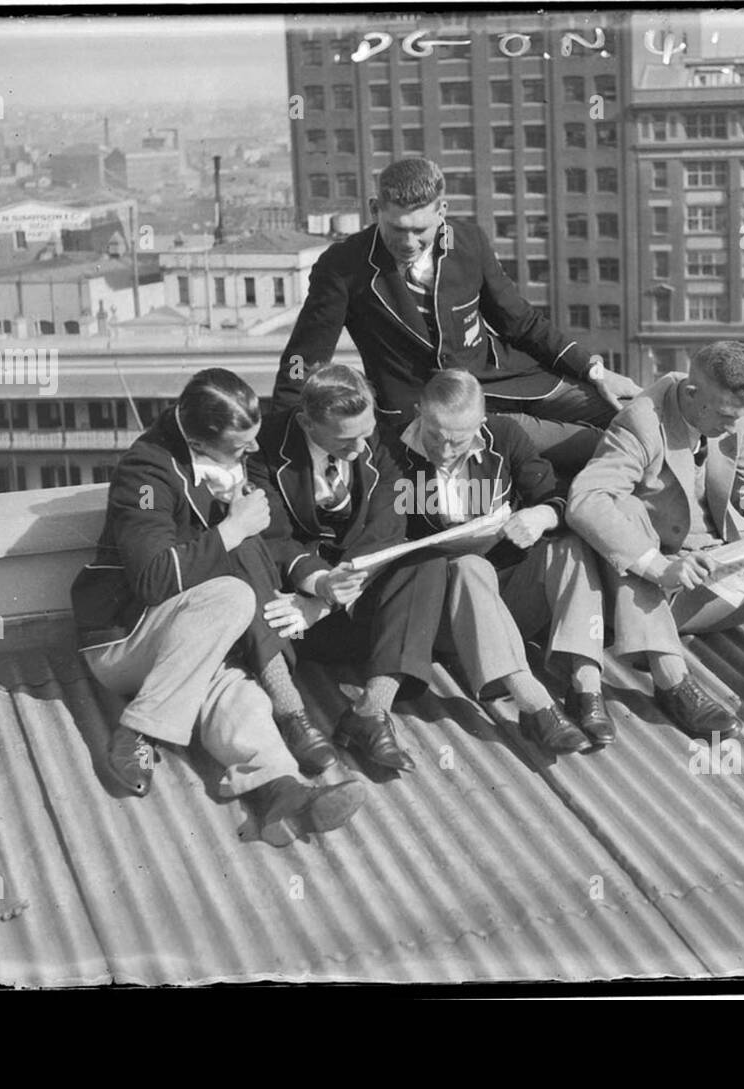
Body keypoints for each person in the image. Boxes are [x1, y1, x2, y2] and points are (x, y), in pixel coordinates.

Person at [70, 368, 364, 844]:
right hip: (127, 639)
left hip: (196, 646)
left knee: (240, 695)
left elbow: (276, 541)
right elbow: (153, 578)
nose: (251, 451)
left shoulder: (230, 460)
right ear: (197, 438)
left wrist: (319, 579)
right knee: (233, 593)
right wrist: (232, 528)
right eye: (238, 445)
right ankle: (138, 731)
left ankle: (279, 791)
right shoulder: (144, 471)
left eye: (252, 440)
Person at [567, 340, 744, 737]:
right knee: (626, 509)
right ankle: (671, 680)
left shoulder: (736, 416)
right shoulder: (640, 424)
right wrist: (661, 567)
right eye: (725, 416)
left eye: (739, 417)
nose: (732, 427)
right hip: (669, 595)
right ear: (692, 394)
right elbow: (585, 500)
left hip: (728, 572)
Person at [271, 157, 641, 473]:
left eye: (420, 231)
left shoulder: (469, 241)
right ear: (373, 210)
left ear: (442, 212)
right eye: (396, 229)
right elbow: (305, 358)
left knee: (632, 414)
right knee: (600, 444)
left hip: (507, 379)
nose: (408, 243)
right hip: (434, 414)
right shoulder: (342, 267)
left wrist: (594, 370)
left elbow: (520, 321)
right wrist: (283, 442)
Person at [392, 370, 612, 755]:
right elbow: (377, 536)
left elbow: (555, 494)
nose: (444, 451)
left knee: (569, 547)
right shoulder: (389, 449)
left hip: (504, 593)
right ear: (418, 413)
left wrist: (543, 515)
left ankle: (586, 685)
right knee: (468, 566)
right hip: (440, 609)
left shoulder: (504, 436)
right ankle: (531, 701)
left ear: (480, 421)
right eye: (434, 436)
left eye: (457, 441)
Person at [248, 364, 451, 774]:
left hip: (344, 607)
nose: (361, 447)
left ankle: (371, 711)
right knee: (244, 572)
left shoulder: (377, 433)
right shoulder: (263, 447)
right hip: (290, 615)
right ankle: (293, 718)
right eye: (345, 440)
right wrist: (318, 582)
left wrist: (329, 599)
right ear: (307, 422)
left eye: (366, 432)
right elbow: (272, 536)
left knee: (426, 561)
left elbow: (391, 525)